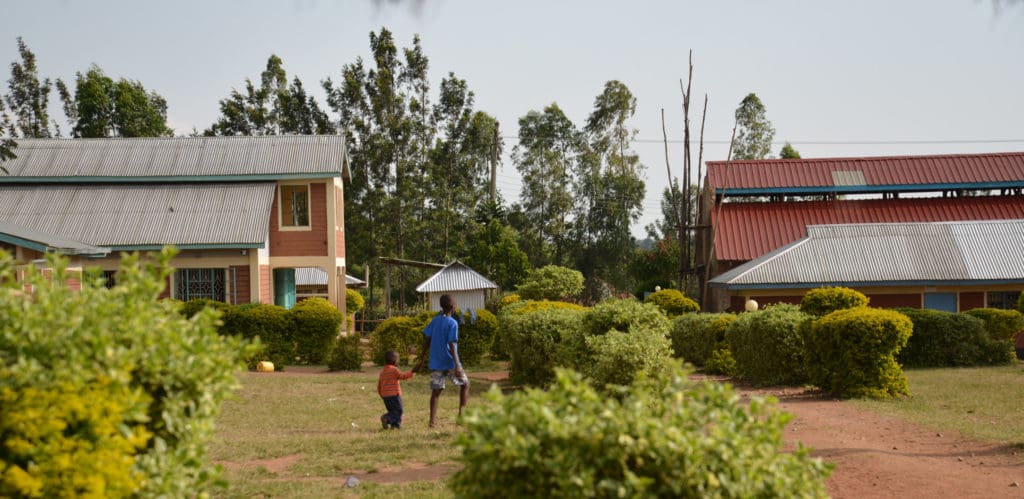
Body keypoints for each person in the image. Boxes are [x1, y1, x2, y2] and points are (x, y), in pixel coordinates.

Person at [414, 294, 469, 428]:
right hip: (450, 362)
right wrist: (457, 365)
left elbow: (427, 339)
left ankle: (432, 422)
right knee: (465, 385)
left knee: (436, 392)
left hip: (436, 362)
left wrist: (421, 357)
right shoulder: (453, 323)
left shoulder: (435, 320)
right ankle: (461, 417)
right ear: (452, 306)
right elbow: (452, 344)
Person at [377, 350, 414, 429]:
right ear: (394, 360)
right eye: (398, 359)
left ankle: (395, 426)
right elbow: (403, 376)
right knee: (398, 410)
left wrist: (381, 394)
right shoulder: (394, 370)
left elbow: (379, 385)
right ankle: (386, 418)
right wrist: (412, 372)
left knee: (393, 411)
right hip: (394, 395)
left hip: (385, 396)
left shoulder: (383, 371)